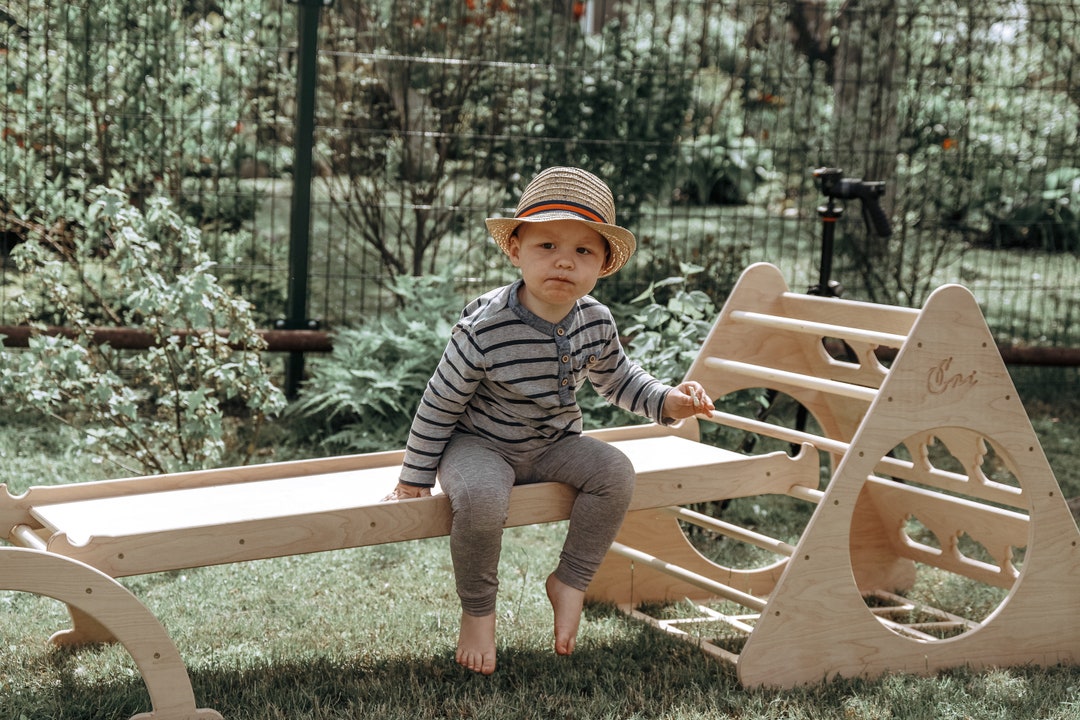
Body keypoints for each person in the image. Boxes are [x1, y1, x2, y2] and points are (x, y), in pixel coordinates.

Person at [383, 166, 714, 675]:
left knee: (614, 472)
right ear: (516, 251)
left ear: (603, 265)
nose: (564, 260)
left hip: (553, 443)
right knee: (482, 499)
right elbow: (440, 402)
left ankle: (570, 581)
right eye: (547, 246)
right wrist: (414, 478)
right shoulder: (485, 327)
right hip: (479, 444)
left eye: (584, 250)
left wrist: (671, 401)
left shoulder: (595, 321)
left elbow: (619, 380)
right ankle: (478, 611)